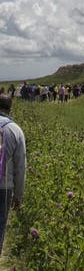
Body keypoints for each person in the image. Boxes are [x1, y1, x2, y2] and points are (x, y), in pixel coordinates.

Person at [0, 93, 26, 255]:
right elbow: (20, 167)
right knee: (1, 223)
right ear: (11, 108)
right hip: (4, 186)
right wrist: (18, 195)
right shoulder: (15, 130)